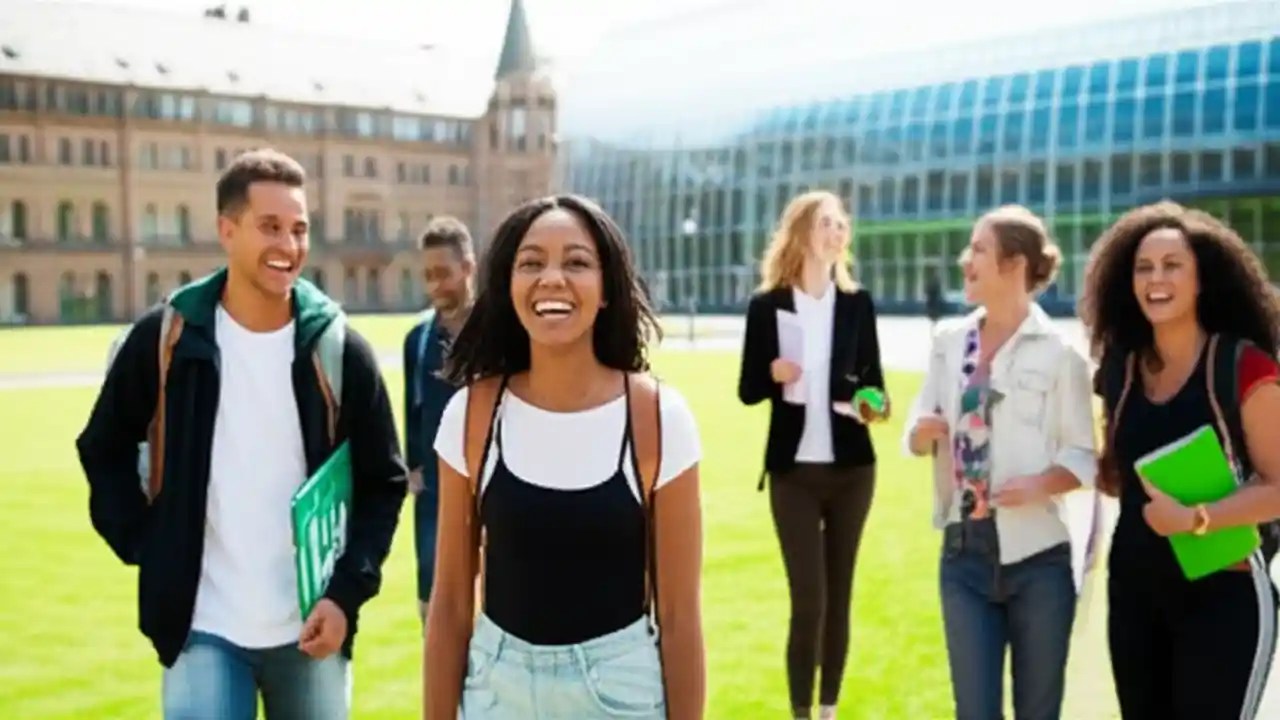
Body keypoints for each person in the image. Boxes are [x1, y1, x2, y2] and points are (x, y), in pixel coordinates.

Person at [75, 149, 407, 719]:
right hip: (203, 625)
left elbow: (384, 482)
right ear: (227, 231)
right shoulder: (167, 338)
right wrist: (144, 542)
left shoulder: (339, 348)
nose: (289, 245)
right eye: (270, 227)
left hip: (311, 626)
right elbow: (101, 446)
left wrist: (345, 594)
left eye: (300, 229)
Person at [423, 194, 705, 720]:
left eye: (576, 262)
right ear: (509, 287)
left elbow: (680, 615)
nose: (552, 278)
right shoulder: (471, 416)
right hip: (496, 692)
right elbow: (451, 602)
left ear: (605, 290)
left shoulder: (660, 418)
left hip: (620, 695)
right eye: (531, 263)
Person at [1080, 201, 1280, 719]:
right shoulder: (1119, 369)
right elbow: (1114, 475)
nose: (1156, 278)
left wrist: (1196, 518)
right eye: (1143, 268)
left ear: (1201, 281)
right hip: (1135, 600)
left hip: (1223, 598)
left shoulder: (1242, 365)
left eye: (1173, 265)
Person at [901, 205, 1096, 720]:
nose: (966, 261)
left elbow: (1083, 456)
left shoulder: (1061, 354)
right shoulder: (948, 343)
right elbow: (921, 425)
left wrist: (1040, 483)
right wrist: (921, 435)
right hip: (963, 554)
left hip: (1040, 563)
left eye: (979, 249)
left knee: (1038, 712)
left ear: (1014, 264)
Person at [737, 189, 888, 720]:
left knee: (839, 597)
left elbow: (877, 390)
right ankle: (800, 712)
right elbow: (748, 389)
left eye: (841, 223)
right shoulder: (767, 306)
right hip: (793, 475)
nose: (837, 231)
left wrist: (870, 404)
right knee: (810, 601)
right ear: (802, 232)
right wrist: (773, 374)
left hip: (852, 471)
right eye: (826, 222)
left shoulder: (857, 304)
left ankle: (828, 710)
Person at [403, 216, 476, 622]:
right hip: (434, 492)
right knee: (433, 609)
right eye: (428, 275)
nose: (435, 286)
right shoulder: (418, 340)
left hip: (492, 489)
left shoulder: (500, 334)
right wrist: (413, 466)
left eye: (444, 274)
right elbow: (412, 407)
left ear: (468, 267)